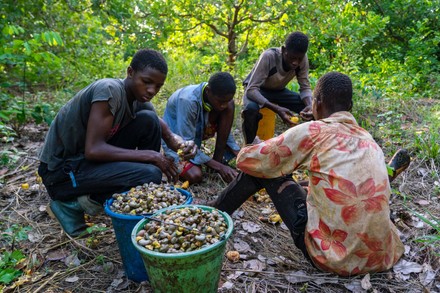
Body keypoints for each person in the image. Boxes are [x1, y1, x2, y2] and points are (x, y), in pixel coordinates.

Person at [211, 72, 410, 276]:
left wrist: (256, 147)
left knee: (262, 170)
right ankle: (212, 216)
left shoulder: (315, 131)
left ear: (317, 102)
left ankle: (211, 216)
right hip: (381, 257)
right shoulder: (369, 140)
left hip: (333, 258)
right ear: (349, 107)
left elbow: (250, 161)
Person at [38, 49, 196, 237]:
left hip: (84, 165)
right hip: (60, 174)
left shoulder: (139, 99)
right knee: (150, 172)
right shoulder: (109, 90)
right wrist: (152, 157)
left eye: (158, 86)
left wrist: (184, 145)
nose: (152, 90)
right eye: (146, 82)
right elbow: (93, 150)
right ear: (130, 72)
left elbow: (168, 135)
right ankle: (71, 206)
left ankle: (140, 200)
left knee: (150, 121)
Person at [162, 72, 240, 184]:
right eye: (220, 101)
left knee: (230, 105)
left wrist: (238, 152)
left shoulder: (220, 100)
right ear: (208, 91)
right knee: (195, 176)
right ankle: (170, 158)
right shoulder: (188, 101)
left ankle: (217, 160)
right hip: (177, 141)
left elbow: (225, 131)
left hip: (199, 132)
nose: (223, 105)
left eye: (226, 101)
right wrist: (220, 167)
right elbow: (185, 146)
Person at [242, 31, 313, 144]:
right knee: (250, 110)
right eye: (292, 58)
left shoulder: (303, 60)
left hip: (279, 91)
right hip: (258, 90)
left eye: (299, 59)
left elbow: (305, 87)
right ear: (284, 50)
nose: (295, 62)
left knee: (315, 109)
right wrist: (277, 109)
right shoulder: (269, 57)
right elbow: (251, 90)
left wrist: (310, 105)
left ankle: (313, 144)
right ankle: (250, 145)